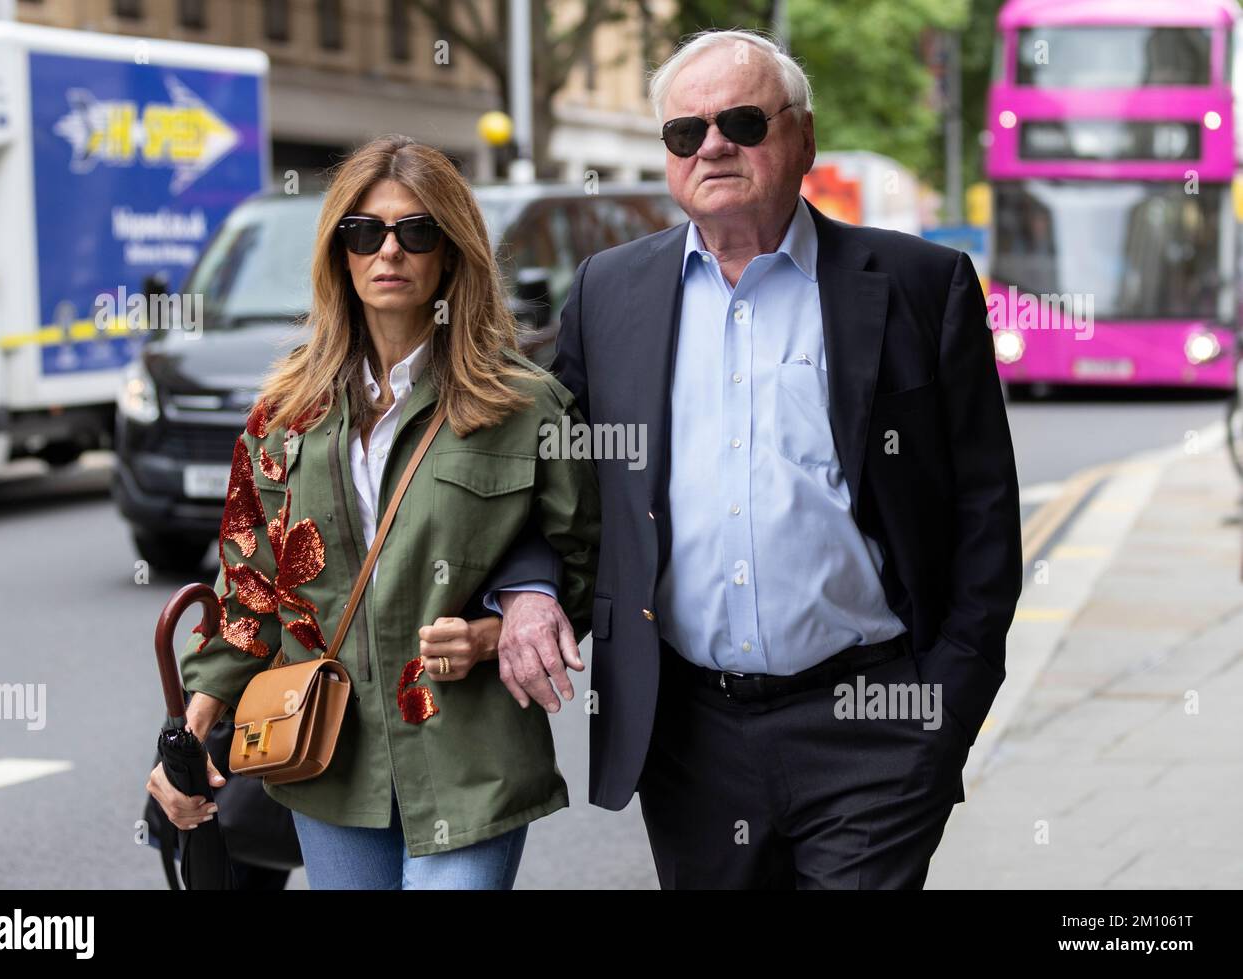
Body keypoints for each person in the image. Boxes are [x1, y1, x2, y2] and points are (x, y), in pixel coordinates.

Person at [483, 29, 1023, 889]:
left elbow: (985, 519)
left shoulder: (924, 285)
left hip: (871, 724)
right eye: (684, 131)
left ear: (802, 137)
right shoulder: (608, 291)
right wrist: (529, 591)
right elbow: (554, 482)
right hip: (691, 737)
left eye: (740, 119)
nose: (714, 145)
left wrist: (942, 714)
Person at [145, 135, 600, 890]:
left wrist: (494, 632)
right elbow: (248, 590)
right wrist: (188, 732)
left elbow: (585, 563)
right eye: (365, 232)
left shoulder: (524, 406)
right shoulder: (284, 413)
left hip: (468, 756)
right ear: (339, 253)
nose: (388, 251)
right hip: (326, 758)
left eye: (415, 231)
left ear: (452, 254)